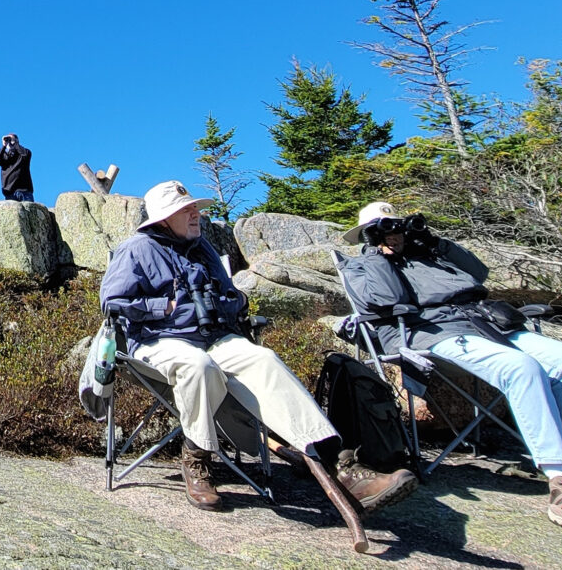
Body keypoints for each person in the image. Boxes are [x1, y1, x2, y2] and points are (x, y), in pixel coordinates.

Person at [101, 181, 417, 516]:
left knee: (264, 360)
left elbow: (233, 294)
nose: (195, 214)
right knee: (197, 366)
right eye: (186, 210)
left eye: (195, 208)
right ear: (163, 219)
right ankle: (197, 460)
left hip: (215, 336)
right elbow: (112, 302)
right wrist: (164, 308)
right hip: (158, 341)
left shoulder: (203, 248)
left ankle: (341, 465)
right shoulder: (136, 249)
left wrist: (228, 302)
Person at [340, 202, 562, 545]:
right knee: (519, 368)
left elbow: (477, 275)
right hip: (429, 332)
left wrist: (433, 241)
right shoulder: (362, 265)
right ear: (366, 233)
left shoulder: (429, 254)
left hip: (486, 324)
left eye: (396, 225)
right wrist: (380, 254)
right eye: (381, 227)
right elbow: (385, 299)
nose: (393, 232)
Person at [0, 134, 34, 202]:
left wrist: (15, 143)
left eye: (11, 139)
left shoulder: (24, 154)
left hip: (25, 192)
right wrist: (4, 146)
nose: (10, 141)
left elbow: (25, 154)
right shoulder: (5, 156)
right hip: (10, 193)